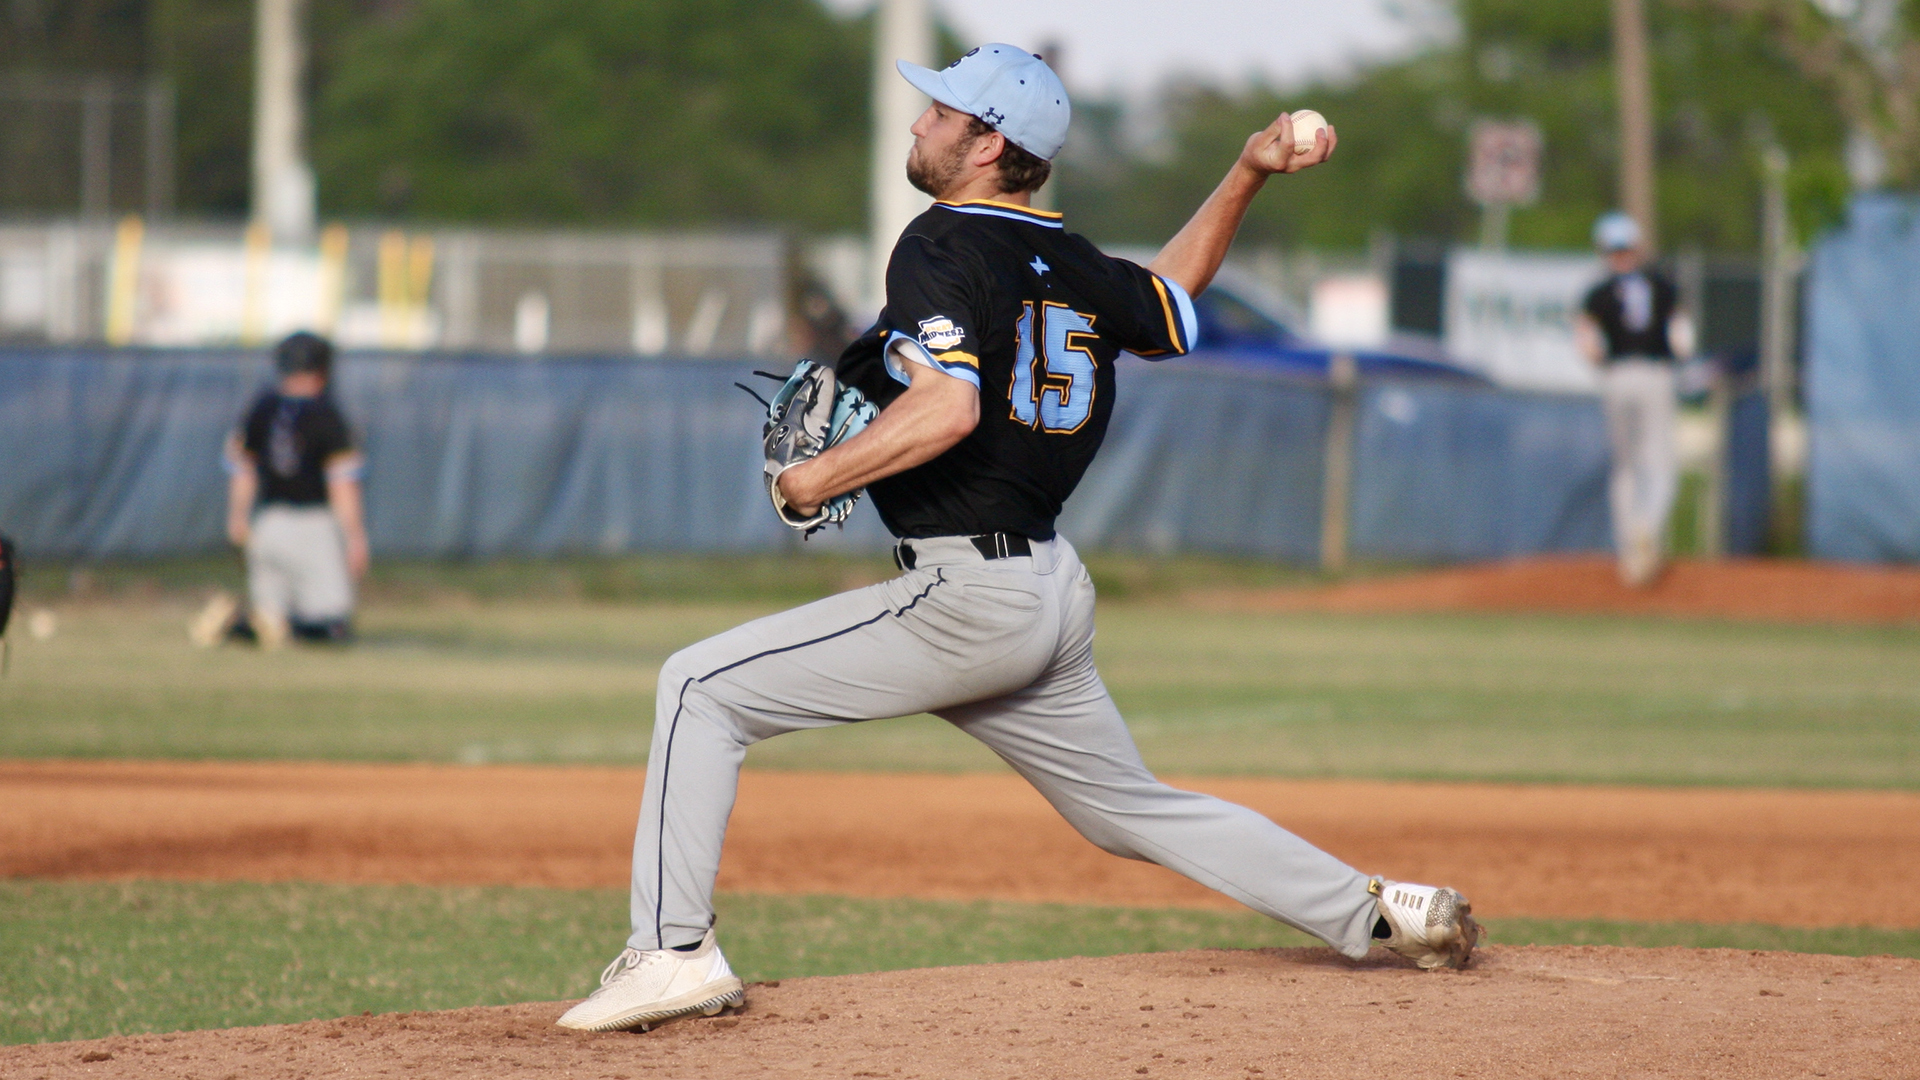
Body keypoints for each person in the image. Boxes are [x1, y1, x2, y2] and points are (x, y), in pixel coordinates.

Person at [557, 44, 1479, 1034]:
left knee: (699, 689)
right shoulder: (1070, 260)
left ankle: (673, 952)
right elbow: (1169, 303)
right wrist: (1246, 171)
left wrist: (810, 479)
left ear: (988, 142)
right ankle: (1377, 910)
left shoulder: (941, 244)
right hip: (1048, 590)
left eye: (941, 112)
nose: (919, 124)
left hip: (969, 597)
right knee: (1129, 808)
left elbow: (947, 407)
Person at [189, 331, 369, 648]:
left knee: (271, 622)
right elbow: (342, 484)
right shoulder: (327, 414)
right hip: (313, 526)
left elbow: (242, 469)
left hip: (268, 524)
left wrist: (238, 518)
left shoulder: (262, 407)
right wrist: (354, 536)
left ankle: (238, 624)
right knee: (332, 627)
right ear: (321, 369)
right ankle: (236, 626)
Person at [1576, 212, 1694, 587]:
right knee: (1659, 465)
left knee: (1625, 467)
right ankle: (1648, 528)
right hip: (1656, 375)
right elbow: (1682, 340)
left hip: (1617, 377)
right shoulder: (1663, 286)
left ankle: (1630, 551)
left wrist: (1605, 363)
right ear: (1638, 248)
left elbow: (1590, 348)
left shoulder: (1597, 294)